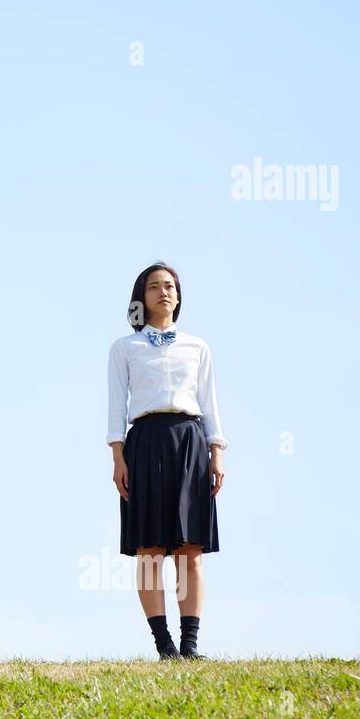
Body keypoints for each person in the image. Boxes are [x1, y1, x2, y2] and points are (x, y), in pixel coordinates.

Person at [106, 262, 227, 661]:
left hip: (190, 443)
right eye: (155, 286)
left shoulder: (198, 346)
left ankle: (191, 646)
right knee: (149, 551)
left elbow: (209, 401)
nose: (164, 292)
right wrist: (117, 456)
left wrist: (217, 451)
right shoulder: (125, 348)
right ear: (141, 297)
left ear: (179, 294)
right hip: (143, 443)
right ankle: (165, 647)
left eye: (170, 286)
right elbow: (115, 406)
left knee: (190, 550)